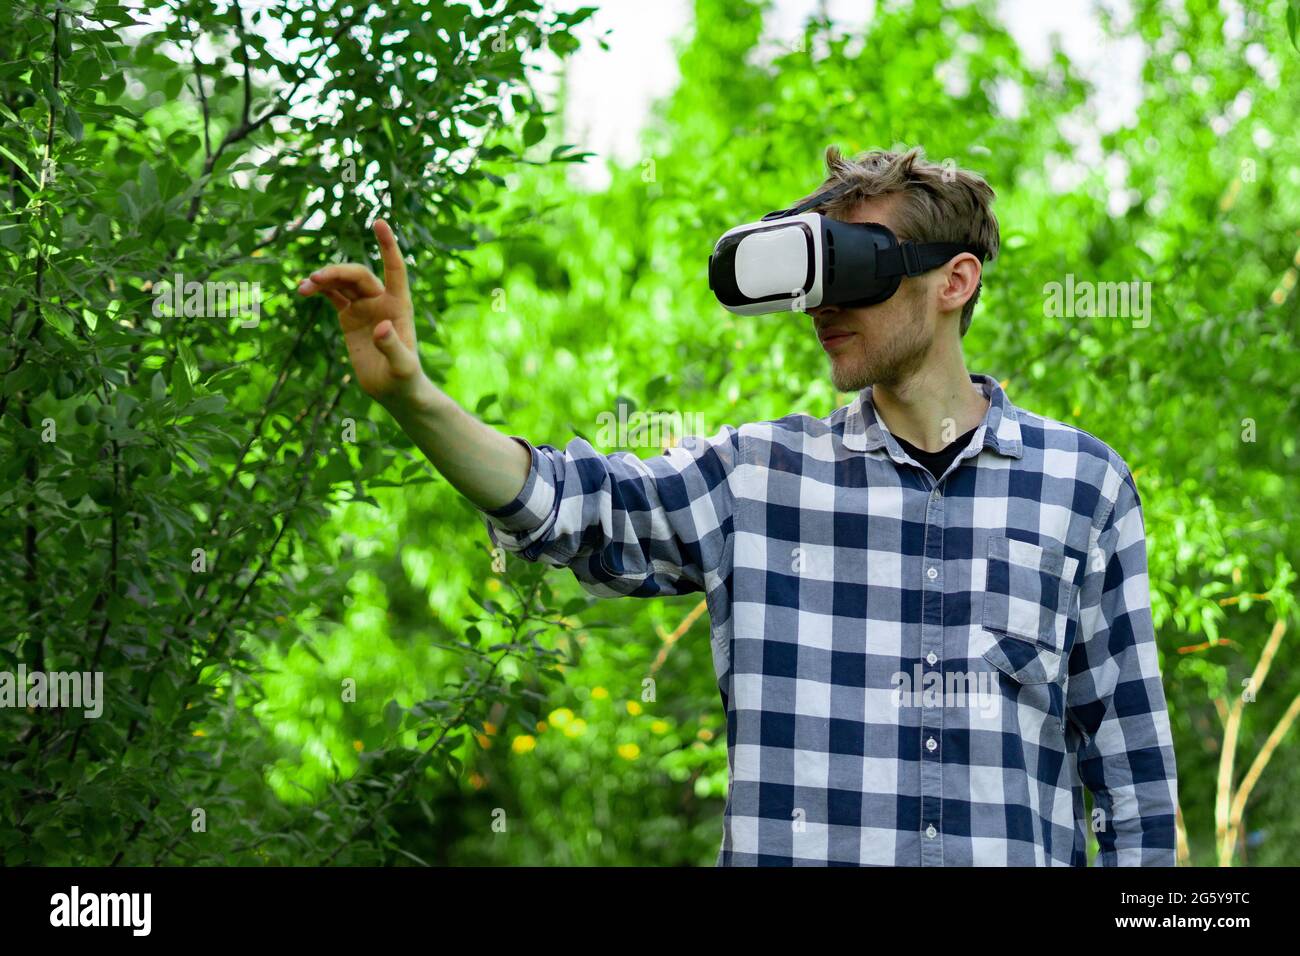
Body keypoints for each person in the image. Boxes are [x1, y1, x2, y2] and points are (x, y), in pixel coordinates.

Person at [297, 146, 1178, 867]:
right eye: (813, 274)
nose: (822, 305)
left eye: (856, 266)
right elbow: (569, 505)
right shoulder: (757, 480)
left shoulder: (1083, 486)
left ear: (954, 281)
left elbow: (1134, 787)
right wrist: (415, 398)